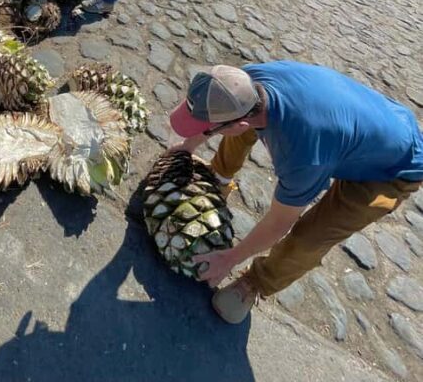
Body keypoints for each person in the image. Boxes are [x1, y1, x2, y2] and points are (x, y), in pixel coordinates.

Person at [169, 61, 423, 324]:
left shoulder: (301, 154)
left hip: (392, 168)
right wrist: (188, 147)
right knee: (238, 121)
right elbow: (224, 121)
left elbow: (278, 224)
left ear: (241, 123)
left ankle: (255, 283)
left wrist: (229, 258)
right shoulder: (241, 82)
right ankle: (219, 178)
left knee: (312, 236)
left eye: (205, 128)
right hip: (363, 126)